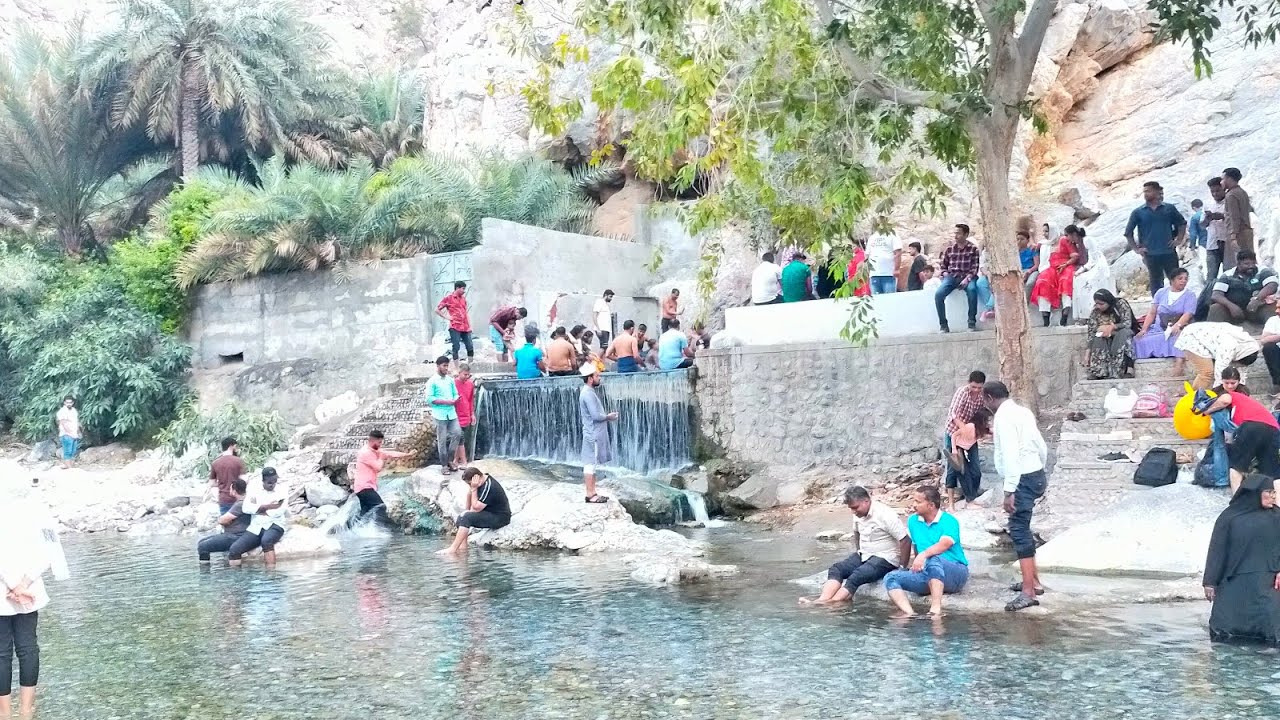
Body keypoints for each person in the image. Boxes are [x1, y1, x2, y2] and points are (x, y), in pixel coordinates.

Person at [0, 480, 67, 719]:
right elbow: (49, 554)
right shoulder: (38, 514)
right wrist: (23, 584)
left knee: (1, 653)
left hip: (3, 593)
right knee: (28, 648)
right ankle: (27, 711)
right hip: (29, 592)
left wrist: (12, 584)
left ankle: (4, 713)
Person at [985, 381, 1049, 611]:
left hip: (1021, 477)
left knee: (1019, 530)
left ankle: (1029, 592)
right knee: (1024, 526)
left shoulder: (1003, 418)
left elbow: (1011, 454)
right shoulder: (1023, 412)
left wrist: (1009, 489)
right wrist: (1040, 468)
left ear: (990, 398)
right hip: (1035, 472)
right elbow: (1040, 444)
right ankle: (1035, 582)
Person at [798, 486, 910, 606]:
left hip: (886, 558)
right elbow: (857, 533)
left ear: (866, 501)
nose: (853, 511)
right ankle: (823, 599)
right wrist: (859, 552)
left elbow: (905, 540)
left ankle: (825, 604)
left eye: (855, 508)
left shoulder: (885, 515)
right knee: (837, 569)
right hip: (865, 554)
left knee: (856, 576)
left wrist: (902, 567)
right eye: (851, 508)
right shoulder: (858, 514)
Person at [1202, 474, 1280, 644]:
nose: (1273, 496)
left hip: (1267, 580)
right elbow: (1217, 550)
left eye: (1274, 492)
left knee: (1270, 624)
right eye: (1269, 492)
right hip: (1233, 582)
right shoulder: (1230, 517)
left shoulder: (1277, 517)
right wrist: (1210, 581)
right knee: (1226, 630)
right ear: (1255, 493)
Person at [882, 486, 970, 618]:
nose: (913, 505)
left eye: (918, 502)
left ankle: (935, 610)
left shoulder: (949, 521)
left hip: (955, 573)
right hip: (929, 572)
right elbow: (917, 548)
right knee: (891, 577)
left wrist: (923, 556)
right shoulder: (913, 521)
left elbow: (944, 544)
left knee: (934, 559)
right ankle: (909, 613)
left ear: (931, 505)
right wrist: (916, 564)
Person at [1196, 387, 1280, 492]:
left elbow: (1224, 400)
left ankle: (1236, 500)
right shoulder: (1247, 404)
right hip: (1274, 429)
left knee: (1237, 466)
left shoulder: (1230, 395)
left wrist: (1207, 410)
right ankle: (1277, 503)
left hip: (1252, 426)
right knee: (1272, 472)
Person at [1124, 181, 1188, 295]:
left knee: (1176, 280)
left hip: (1168, 251)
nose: (1145, 194)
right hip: (1150, 253)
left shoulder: (1169, 208)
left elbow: (1182, 223)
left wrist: (1178, 240)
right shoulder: (1138, 212)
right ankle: (1158, 308)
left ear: (1157, 192)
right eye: (1144, 191)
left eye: (1148, 191)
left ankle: (1179, 305)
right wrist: (1137, 249)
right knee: (1156, 282)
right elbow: (1128, 232)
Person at [439, 467, 513, 555]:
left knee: (466, 518)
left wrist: (474, 489)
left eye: (470, 484)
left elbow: (476, 508)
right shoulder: (479, 484)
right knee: (462, 517)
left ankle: (453, 549)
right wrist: (466, 511)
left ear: (477, 477)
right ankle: (463, 546)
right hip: (489, 513)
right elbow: (469, 501)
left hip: (500, 518)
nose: (470, 486)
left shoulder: (489, 486)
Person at [1135, 268, 1197, 367]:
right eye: (1180, 278)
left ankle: (1178, 364)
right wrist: (1144, 329)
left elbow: (1188, 314)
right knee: (1139, 340)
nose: (1183, 281)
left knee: (1178, 337)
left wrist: (1178, 325)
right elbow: (1152, 313)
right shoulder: (1161, 292)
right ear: (1172, 280)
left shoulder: (1190, 295)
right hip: (1160, 327)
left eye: (1185, 279)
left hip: (1180, 326)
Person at [1197, 250, 1278, 326]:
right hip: (1234, 311)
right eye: (1246, 264)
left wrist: (1257, 299)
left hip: (1257, 308)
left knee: (1273, 310)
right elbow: (1216, 295)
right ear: (1238, 264)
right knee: (1215, 309)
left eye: (1253, 263)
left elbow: (1272, 284)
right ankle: (1213, 336)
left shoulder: (1262, 270)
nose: (1251, 266)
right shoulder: (1228, 275)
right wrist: (1231, 306)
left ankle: (1274, 335)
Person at [1174, 321, 1261, 390]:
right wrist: (1218, 394)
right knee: (1206, 372)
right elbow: (1220, 373)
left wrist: (1241, 390)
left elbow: (1241, 372)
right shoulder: (1229, 346)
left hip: (1208, 337)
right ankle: (1193, 400)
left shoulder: (1249, 347)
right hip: (1192, 337)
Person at [1030, 224, 1088, 327]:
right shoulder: (1045, 244)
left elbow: (1074, 256)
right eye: (1043, 232)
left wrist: (1065, 264)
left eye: (1047, 231)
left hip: (1066, 266)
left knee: (1065, 280)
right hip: (1052, 268)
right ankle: (1045, 315)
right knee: (1042, 281)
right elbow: (1039, 244)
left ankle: (1065, 313)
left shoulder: (1064, 240)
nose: (1045, 234)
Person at [229, 468, 287, 567]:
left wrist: (258, 509)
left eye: (274, 481)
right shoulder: (253, 490)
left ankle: (271, 574)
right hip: (256, 527)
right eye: (269, 482)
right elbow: (246, 508)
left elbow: (280, 510)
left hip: (275, 524)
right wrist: (266, 507)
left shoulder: (282, 490)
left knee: (266, 540)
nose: (272, 484)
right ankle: (237, 579)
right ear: (263, 481)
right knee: (234, 549)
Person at [353, 430, 412, 522]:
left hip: (364, 487)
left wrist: (407, 455)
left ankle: (351, 529)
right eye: (379, 442)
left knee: (366, 512)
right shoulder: (365, 453)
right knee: (381, 507)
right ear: (372, 441)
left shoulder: (374, 450)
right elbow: (378, 467)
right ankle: (381, 530)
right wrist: (380, 457)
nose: (380, 444)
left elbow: (390, 454)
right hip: (364, 487)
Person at [580, 363, 619, 503]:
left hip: (592, 433)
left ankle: (592, 492)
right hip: (593, 434)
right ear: (590, 379)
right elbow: (596, 416)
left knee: (592, 463)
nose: (599, 378)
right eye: (597, 376)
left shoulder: (588, 392)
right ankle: (590, 495)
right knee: (590, 464)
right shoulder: (588, 394)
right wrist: (609, 417)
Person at [934, 224, 981, 333]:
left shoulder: (973, 249)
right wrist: (945, 273)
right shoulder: (950, 249)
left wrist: (967, 279)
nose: (956, 236)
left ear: (966, 234)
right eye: (955, 233)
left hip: (967, 276)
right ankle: (943, 325)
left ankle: (971, 322)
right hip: (952, 277)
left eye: (958, 233)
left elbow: (975, 268)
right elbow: (943, 266)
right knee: (938, 294)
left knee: (972, 290)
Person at [945, 407, 991, 509]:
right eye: (987, 419)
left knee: (976, 473)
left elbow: (991, 433)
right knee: (962, 472)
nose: (988, 422)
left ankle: (972, 497)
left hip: (968, 447)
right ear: (981, 419)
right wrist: (954, 450)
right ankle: (969, 501)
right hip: (957, 447)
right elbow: (954, 435)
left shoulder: (981, 430)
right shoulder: (970, 426)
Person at [1084, 289, 1136, 380]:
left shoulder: (1120, 304)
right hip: (1106, 334)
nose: (1099, 306)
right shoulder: (1096, 311)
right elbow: (1091, 332)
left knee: (1123, 335)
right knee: (1098, 338)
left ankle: (1127, 369)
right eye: (1097, 303)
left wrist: (1112, 327)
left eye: (1101, 304)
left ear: (1108, 302)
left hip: (1123, 331)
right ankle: (1099, 371)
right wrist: (1087, 354)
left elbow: (1127, 323)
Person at [197, 479, 250, 563]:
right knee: (201, 541)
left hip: (235, 536)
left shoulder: (240, 504)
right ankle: (226, 565)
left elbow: (222, 520)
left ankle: (204, 572)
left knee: (202, 546)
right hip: (237, 534)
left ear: (234, 490)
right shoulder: (246, 501)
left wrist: (223, 520)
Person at [427, 355, 462, 474]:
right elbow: (430, 399)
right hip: (440, 414)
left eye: (447, 365)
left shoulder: (450, 380)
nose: (446, 368)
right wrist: (446, 402)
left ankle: (450, 460)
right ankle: (443, 465)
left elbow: (455, 393)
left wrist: (456, 398)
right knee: (441, 440)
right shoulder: (432, 381)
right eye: (444, 366)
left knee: (457, 433)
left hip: (451, 413)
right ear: (438, 366)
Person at [436, 281, 473, 363]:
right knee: (456, 346)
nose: (464, 291)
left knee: (470, 346)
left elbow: (465, 313)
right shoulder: (448, 298)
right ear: (457, 288)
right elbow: (437, 310)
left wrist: (469, 326)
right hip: (455, 327)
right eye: (463, 289)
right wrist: (447, 317)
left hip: (465, 327)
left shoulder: (463, 299)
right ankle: (457, 368)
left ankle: (471, 365)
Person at [1203, 177, 1232, 281]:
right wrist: (1207, 219)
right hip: (1212, 245)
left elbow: (1236, 220)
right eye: (1212, 192)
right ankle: (1209, 296)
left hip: (1227, 244)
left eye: (1217, 191)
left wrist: (1222, 217)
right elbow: (1202, 225)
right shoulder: (1208, 205)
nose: (1215, 194)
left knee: (1228, 274)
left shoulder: (1230, 203)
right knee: (1211, 276)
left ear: (1223, 189)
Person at [1222, 167, 1255, 255]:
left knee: (1240, 261)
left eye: (1223, 179)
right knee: (1249, 257)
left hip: (1239, 233)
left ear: (1229, 179)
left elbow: (1234, 217)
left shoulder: (1231, 195)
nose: (1221, 182)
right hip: (1247, 230)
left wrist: (1233, 236)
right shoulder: (1242, 192)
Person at [209, 437, 245, 514]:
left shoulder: (215, 463)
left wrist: (222, 483)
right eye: (235, 446)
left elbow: (211, 483)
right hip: (238, 498)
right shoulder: (238, 461)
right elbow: (244, 480)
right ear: (231, 446)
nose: (237, 448)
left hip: (224, 498)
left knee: (225, 522)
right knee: (240, 524)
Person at [866, 224, 903, 295]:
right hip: (874, 274)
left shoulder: (893, 235)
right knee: (876, 300)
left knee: (889, 299)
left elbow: (898, 252)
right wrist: (866, 273)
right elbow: (867, 255)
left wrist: (896, 269)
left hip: (889, 273)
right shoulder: (872, 237)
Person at [453, 363, 477, 466]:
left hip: (466, 414)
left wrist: (472, 414)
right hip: (455, 415)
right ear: (459, 373)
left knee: (459, 438)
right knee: (459, 437)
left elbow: (471, 400)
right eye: (465, 374)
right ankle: (463, 461)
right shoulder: (453, 384)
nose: (466, 377)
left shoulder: (470, 384)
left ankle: (455, 460)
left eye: (468, 375)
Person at [55, 396, 80, 469]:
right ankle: (70, 469)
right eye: (67, 402)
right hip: (66, 434)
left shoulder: (74, 410)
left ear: (73, 403)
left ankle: (69, 466)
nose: (69, 404)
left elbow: (76, 421)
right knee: (68, 451)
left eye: (70, 402)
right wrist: (70, 433)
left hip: (74, 434)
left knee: (73, 451)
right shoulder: (62, 412)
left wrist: (78, 432)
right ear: (64, 403)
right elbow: (63, 423)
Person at [1260, 302, 1280, 387]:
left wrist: (1274, 336)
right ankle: (1278, 385)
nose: (1277, 311)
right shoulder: (1273, 320)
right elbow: (1264, 340)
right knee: (1268, 347)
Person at [1018, 230, 1040, 296]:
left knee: (1030, 283)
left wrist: (1029, 271)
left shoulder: (1032, 250)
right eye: (1018, 239)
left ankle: (1026, 302)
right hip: (1020, 271)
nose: (1019, 241)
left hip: (1032, 270)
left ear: (1027, 240)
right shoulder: (1015, 252)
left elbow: (1036, 265)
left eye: (1022, 239)